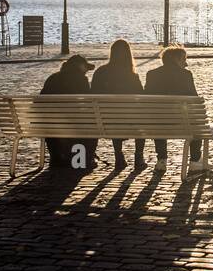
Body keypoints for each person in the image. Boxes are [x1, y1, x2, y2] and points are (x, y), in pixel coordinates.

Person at [143, 45, 204, 173]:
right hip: (182, 123)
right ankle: (194, 162)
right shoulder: (186, 75)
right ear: (177, 59)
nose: (186, 64)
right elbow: (194, 100)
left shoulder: (152, 74)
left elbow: (147, 100)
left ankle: (161, 160)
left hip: (157, 124)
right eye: (184, 59)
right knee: (198, 123)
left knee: (158, 117)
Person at [91, 39, 144, 170]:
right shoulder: (132, 76)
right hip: (131, 121)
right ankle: (138, 157)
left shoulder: (100, 72)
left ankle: (118, 156)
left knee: (115, 116)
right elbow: (142, 97)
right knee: (140, 119)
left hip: (106, 120)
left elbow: (92, 94)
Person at [39, 54, 97, 170]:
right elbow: (88, 104)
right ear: (80, 66)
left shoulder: (52, 78)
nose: (86, 72)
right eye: (86, 68)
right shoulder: (82, 80)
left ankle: (57, 157)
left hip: (50, 126)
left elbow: (40, 103)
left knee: (52, 121)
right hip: (74, 125)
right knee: (91, 123)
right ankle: (82, 158)